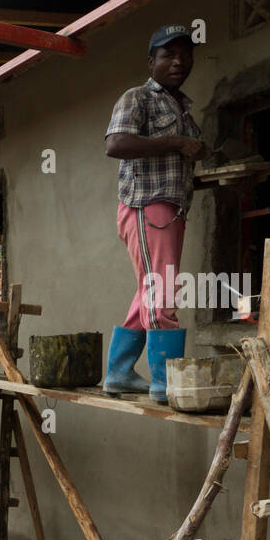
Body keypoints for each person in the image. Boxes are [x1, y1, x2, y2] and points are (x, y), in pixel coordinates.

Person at [103, 24, 207, 401]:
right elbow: (115, 144)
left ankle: (118, 371)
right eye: (169, 55)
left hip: (171, 209)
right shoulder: (138, 98)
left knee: (150, 289)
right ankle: (165, 381)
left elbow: (178, 162)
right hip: (148, 207)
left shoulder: (183, 106)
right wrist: (179, 142)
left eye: (185, 54)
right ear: (152, 62)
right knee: (161, 290)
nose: (179, 61)